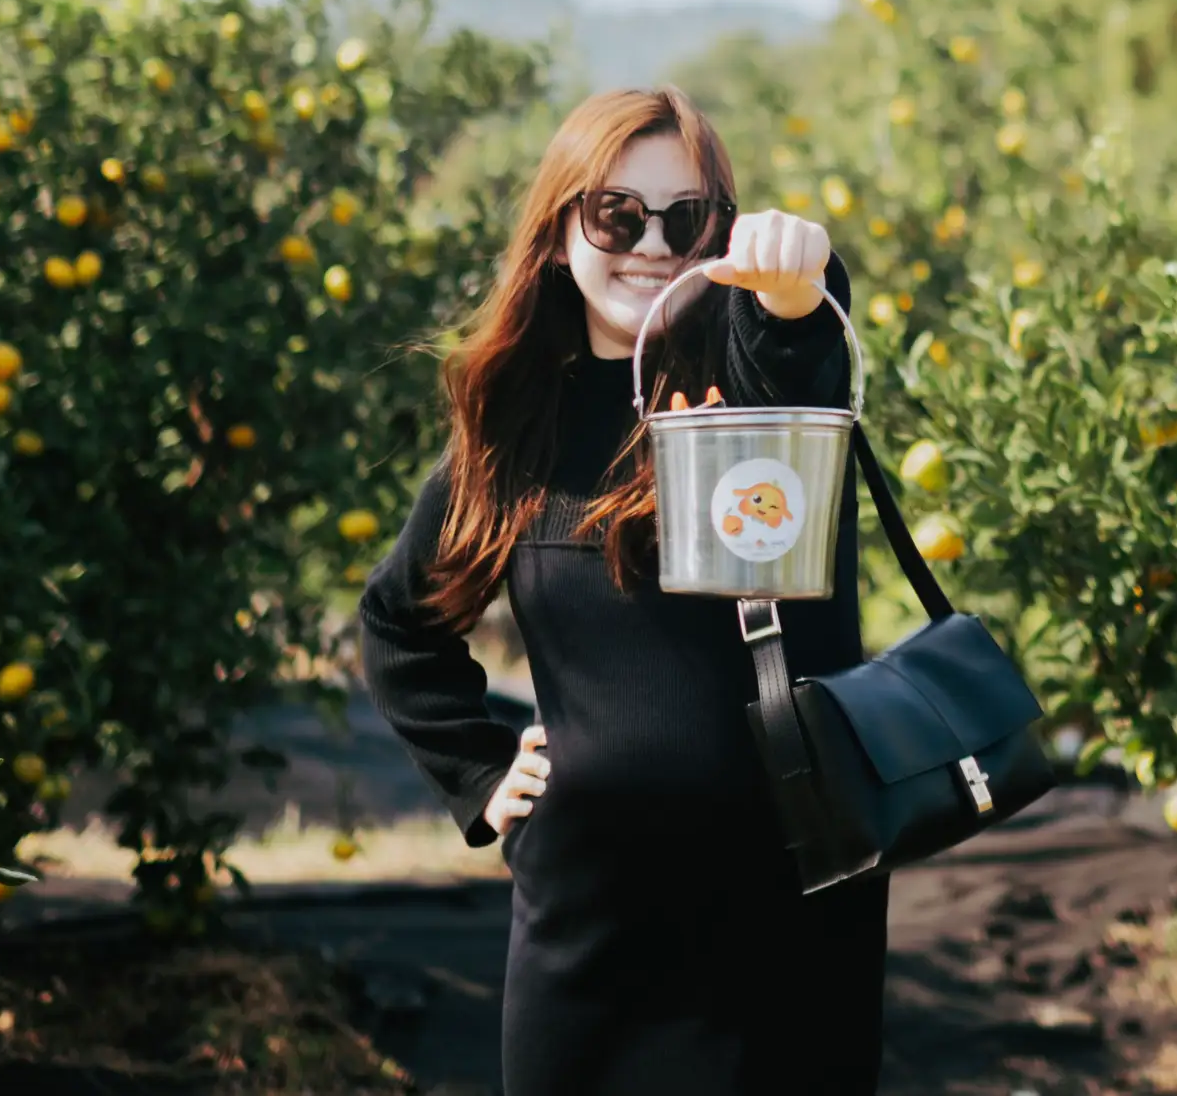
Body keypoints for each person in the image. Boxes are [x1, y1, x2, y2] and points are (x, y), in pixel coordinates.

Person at [359, 85, 887, 1096]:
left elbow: (801, 347)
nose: (650, 244)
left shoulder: (754, 393)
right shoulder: (518, 429)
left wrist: (790, 280)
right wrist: (480, 777)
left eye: (684, 219)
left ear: (718, 238)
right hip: (588, 923)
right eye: (615, 214)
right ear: (562, 233)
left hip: (786, 906)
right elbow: (399, 625)